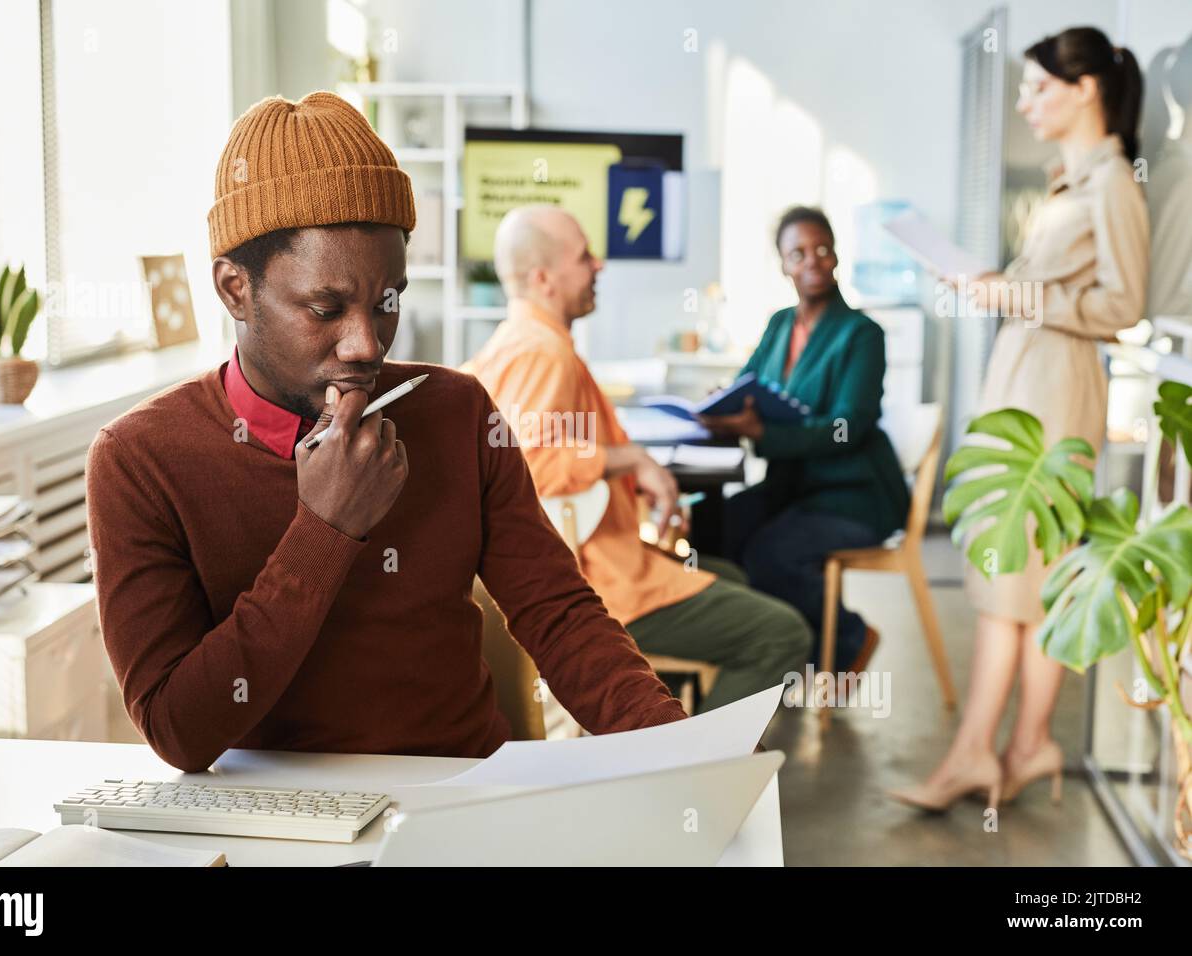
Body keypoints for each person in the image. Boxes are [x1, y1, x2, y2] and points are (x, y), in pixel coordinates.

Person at [85, 93, 689, 773]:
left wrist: (685, 754)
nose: (365, 345)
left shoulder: (457, 413)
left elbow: (560, 614)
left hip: (460, 799)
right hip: (267, 823)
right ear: (234, 289)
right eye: (326, 308)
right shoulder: (140, 460)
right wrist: (325, 530)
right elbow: (178, 731)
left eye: (387, 302)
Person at [890, 27, 1149, 811]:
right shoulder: (1071, 183)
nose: (1025, 102)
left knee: (1016, 585)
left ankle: (986, 754)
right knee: (1018, 587)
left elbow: (1125, 306)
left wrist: (1018, 294)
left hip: (1057, 395)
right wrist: (1000, 285)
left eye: (1037, 87)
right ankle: (1021, 749)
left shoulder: (1112, 186)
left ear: (1086, 90)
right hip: (1026, 389)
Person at [464, 205, 811, 711]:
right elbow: (527, 464)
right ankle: (699, 773)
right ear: (544, 278)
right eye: (584, 257)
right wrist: (629, 459)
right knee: (781, 635)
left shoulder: (510, 344)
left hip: (600, 558)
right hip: (595, 586)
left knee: (731, 575)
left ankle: (673, 724)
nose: (599, 265)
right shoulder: (544, 353)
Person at [700, 206, 910, 676]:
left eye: (822, 250)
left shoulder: (861, 334)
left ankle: (848, 640)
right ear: (783, 265)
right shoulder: (779, 325)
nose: (812, 261)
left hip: (853, 497)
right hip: (791, 489)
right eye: (798, 253)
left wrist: (765, 433)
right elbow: (745, 385)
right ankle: (758, 649)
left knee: (770, 553)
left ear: (835, 257)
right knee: (712, 530)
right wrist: (725, 409)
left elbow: (848, 428)